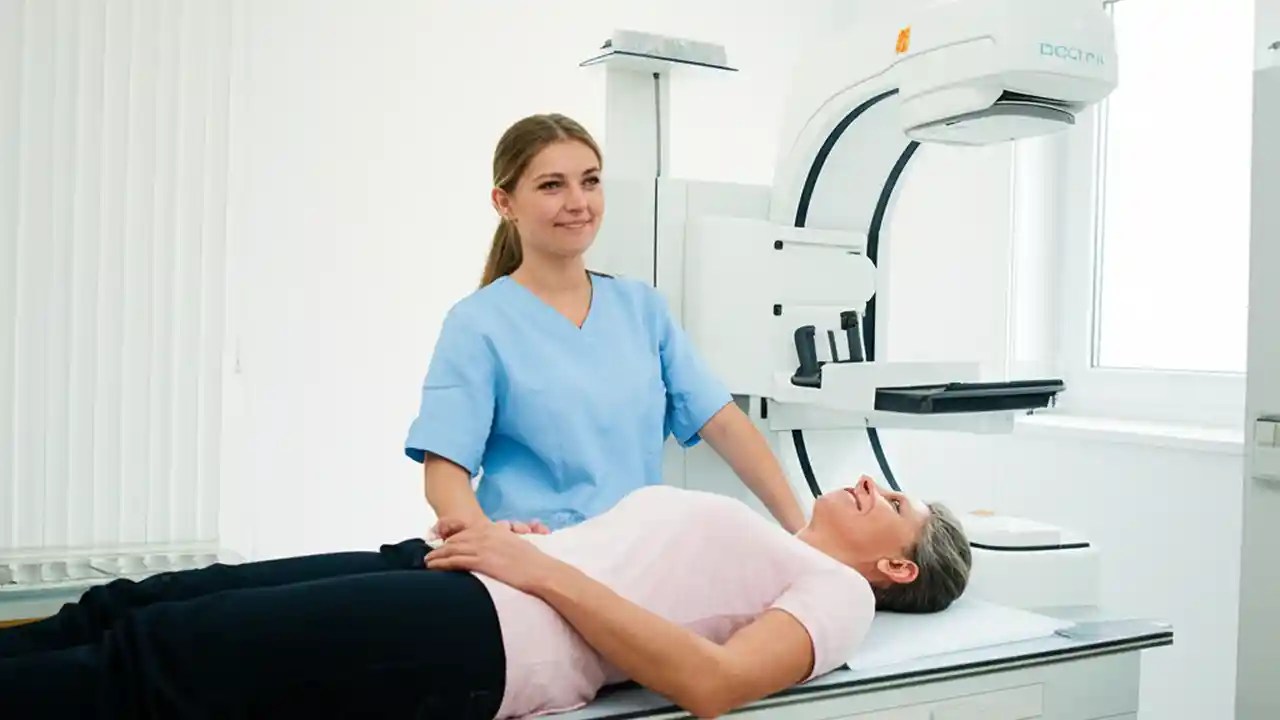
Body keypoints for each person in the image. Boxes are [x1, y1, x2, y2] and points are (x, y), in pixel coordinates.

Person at [0, 477, 971, 719]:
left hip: (493, 634)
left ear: (895, 568)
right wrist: (545, 545)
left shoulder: (836, 597)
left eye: (892, 506)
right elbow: (644, 568)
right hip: (473, 572)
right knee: (135, 606)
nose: (868, 488)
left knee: (161, 665)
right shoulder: (770, 535)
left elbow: (713, 685)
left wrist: (549, 573)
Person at [403, 113, 808, 537]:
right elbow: (445, 468)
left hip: (633, 556)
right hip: (532, 555)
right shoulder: (477, 324)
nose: (578, 202)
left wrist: (805, 535)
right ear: (504, 203)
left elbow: (725, 424)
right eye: (551, 185)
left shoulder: (641, 309)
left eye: (590, 181)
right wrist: (490, 545)